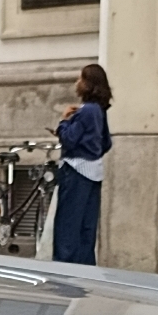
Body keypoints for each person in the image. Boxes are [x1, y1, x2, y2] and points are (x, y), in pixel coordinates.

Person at [51, 64, 112, 265]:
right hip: (94, 173)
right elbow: (106, 142)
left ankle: (64, 273)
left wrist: (63, 121)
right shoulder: (100, 111)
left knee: (67, 226)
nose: (77, 83)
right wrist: (92, 151)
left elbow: (69, 139)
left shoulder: (85, 111)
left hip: (75, 170)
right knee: (86, 229)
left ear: (88, 84)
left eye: (81, 79)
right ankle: (86, 272)